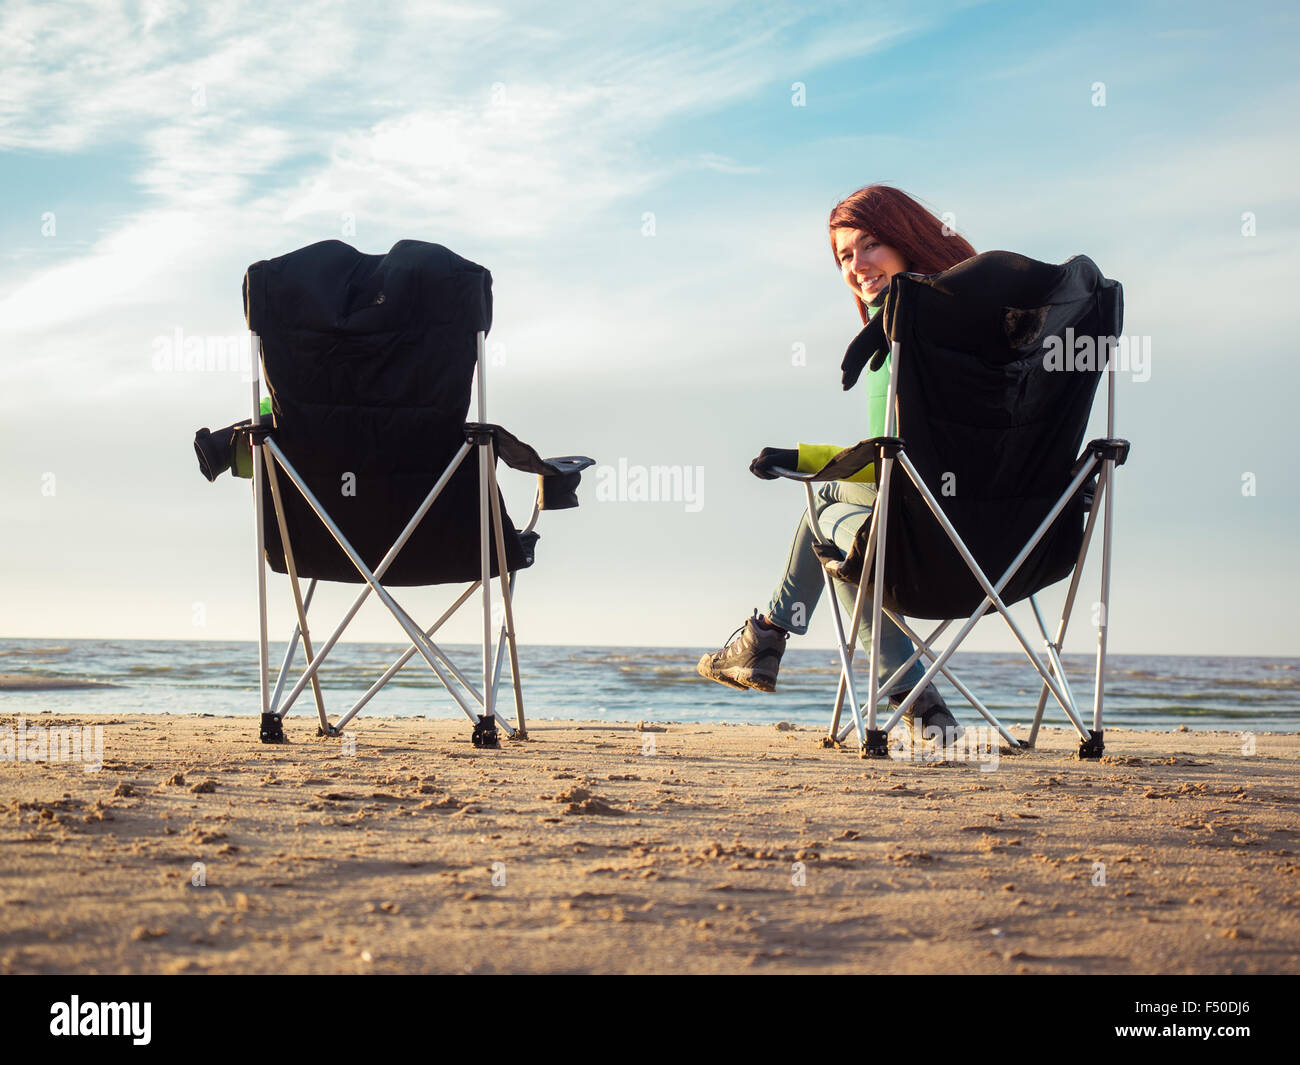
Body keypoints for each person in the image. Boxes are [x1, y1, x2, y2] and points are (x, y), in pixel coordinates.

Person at [696, 184, 975, 740]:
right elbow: (901, 459)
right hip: (1015, 547)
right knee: (844, 520)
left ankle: (773, 638)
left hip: (926, 545)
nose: (858, 265)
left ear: (908, 239)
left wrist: (803, 462)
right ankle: (911, 699)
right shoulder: (995, 334)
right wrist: (801, 456)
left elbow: (891, 464)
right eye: (845, 255)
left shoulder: (901, 336)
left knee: (834, 528)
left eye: (871, 244)